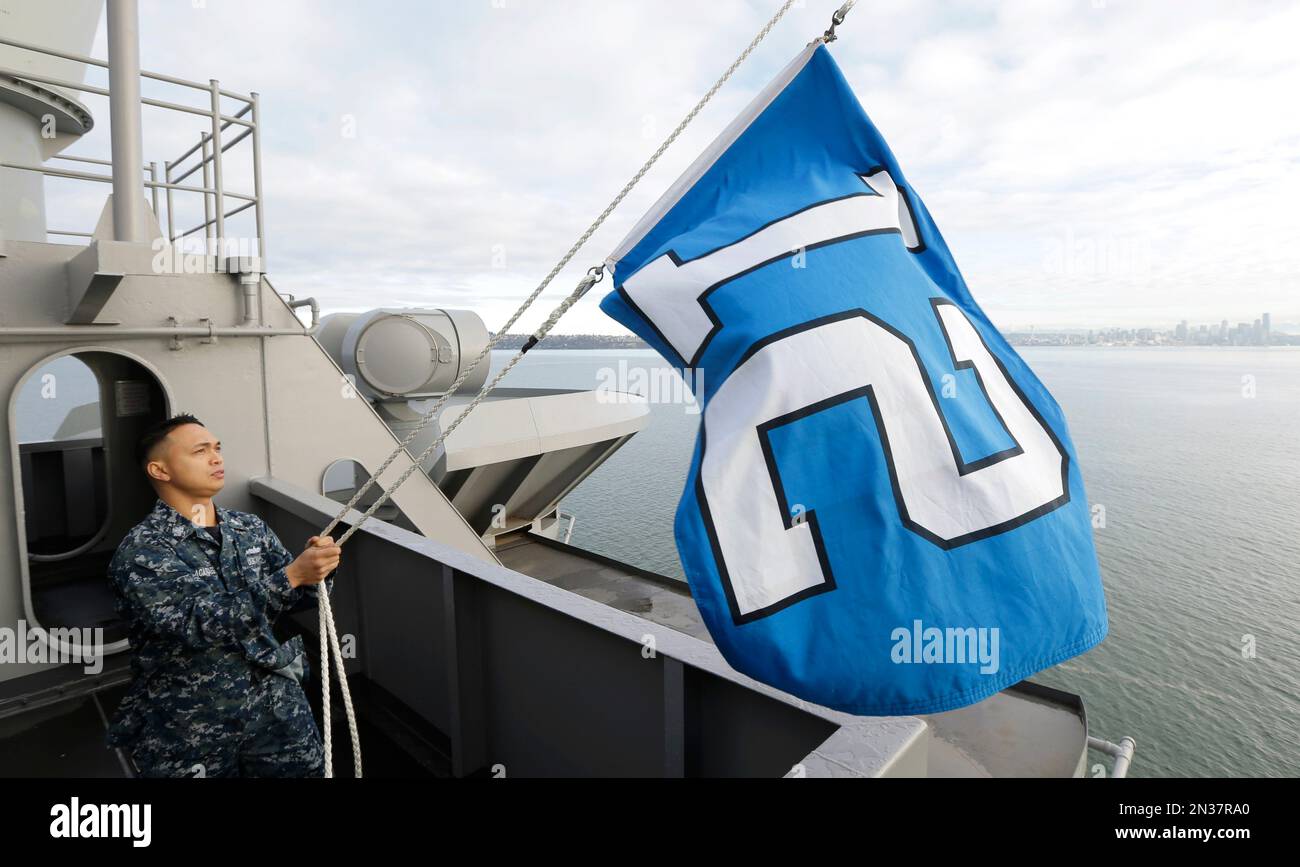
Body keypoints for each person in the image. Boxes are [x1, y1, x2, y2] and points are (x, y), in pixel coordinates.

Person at [104, 413, 342, 777]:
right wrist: (292, 576)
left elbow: (297, 600)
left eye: (217, 448)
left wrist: (317, 572)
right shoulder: (141, 552)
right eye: (200, 451)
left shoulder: (249, 528)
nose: (217, 458)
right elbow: (196, 625)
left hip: (277, 708)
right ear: (160, 470)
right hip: (191, 721)